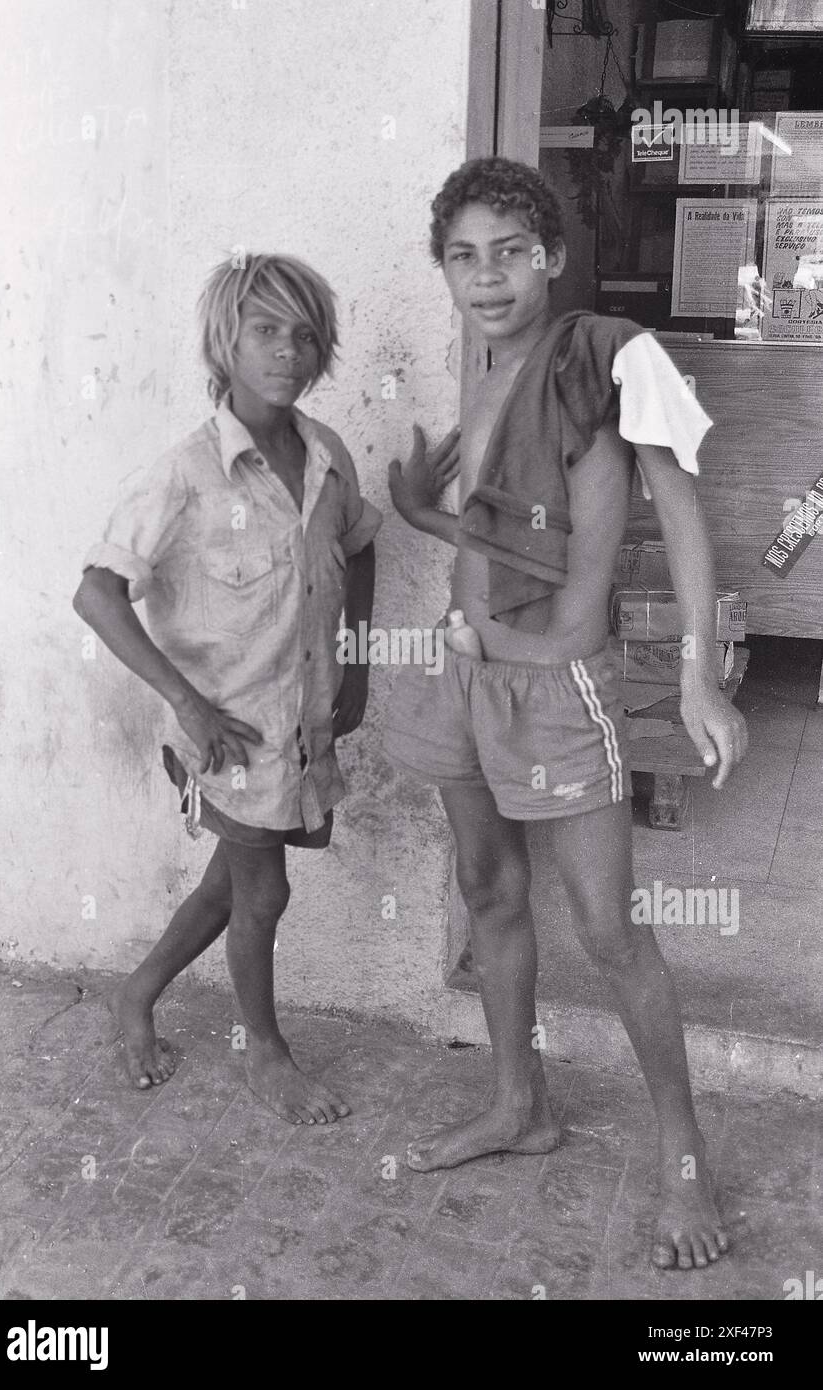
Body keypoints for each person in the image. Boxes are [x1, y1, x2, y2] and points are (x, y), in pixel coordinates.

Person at [384, 157, 748, 1268]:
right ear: (442, 269)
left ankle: (681, 1159)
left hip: (557, 691)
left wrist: (694, 671)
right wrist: (422, 518)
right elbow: (528, 548)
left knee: (604, 930)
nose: (486, 275)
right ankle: (517, 1103)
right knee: (487, 890)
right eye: (463, 254)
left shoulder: (606, 352)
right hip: (464, 675)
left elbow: (678, 512)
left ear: (549, 256)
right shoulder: (483, 367)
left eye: (509, 251)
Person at [74, 253, 380, 1124]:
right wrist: (187, 701)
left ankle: (136, 994)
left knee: (230, 879)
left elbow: (359, 545)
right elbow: (96, 592)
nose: (288, 350)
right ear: (226, 344)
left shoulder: (326, 456)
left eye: (305, 333)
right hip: (228, 735)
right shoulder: (184, 475)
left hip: (301, 726)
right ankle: (268, 1055)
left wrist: (353, 661)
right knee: (264, 889)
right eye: (265, 331)